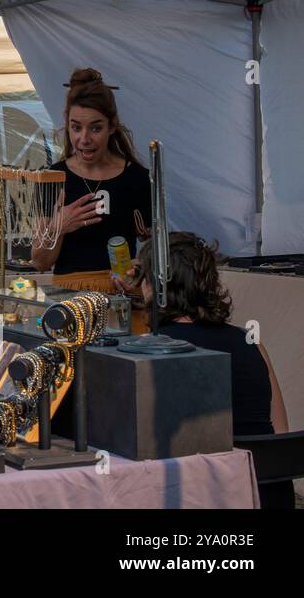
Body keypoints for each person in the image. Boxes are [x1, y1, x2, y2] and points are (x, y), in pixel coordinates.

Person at [136, 231, 291, 509]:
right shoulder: (252, 342)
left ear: (153, 286)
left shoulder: (149, 351)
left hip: (205, 496)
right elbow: (279, 435)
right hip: (266, 492)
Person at [32, 68, 151, 295]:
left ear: (112, 126)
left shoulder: (137, 178)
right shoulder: (51, 179)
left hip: (123, 296)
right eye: (76, 127)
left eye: (96, 128)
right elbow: (40, 262)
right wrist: (60, 226)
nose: (84, 139)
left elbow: (154, 251)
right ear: (67, 124)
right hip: (70, 301)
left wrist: (141, 267)